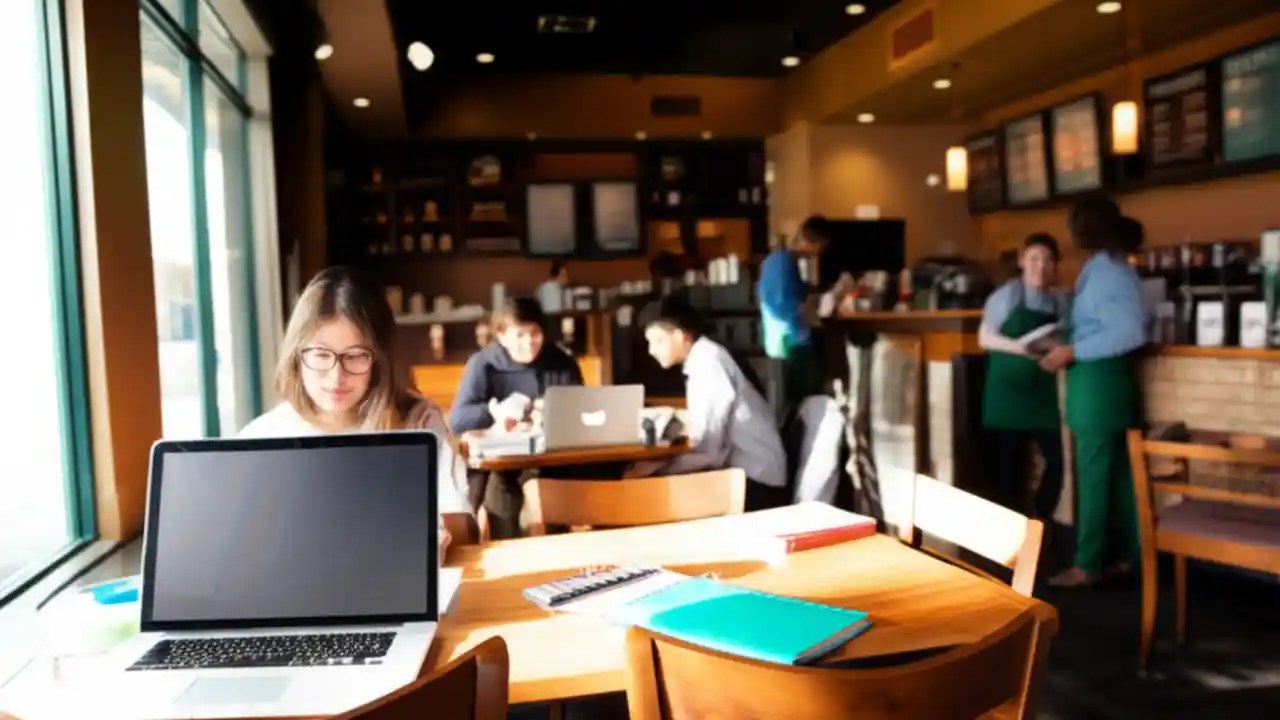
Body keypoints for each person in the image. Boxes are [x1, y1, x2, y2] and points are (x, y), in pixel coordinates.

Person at [239, 266, 473, 561]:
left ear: (379, 361)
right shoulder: (263, 437)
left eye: (355, 356)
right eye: (321, 355)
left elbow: (462, 535)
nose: (336, 377)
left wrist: (436, 542)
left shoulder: (418, 423)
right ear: (297, 356)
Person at [1038, 199, 1148, 588]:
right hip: (1105, 387)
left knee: (1095, 477)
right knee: (1117, 478)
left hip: (1099, 389)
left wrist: (1072, 350)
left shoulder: (1107, 273)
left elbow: (1130, 331)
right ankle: (1126, 557)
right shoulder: (1110, 268)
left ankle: (1087, 565)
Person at [628, 295, 789, 510]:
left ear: (679, 336)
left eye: (658, 341)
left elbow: (710, 452)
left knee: (652, 499)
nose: (651, 350)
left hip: (756, 482)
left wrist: (659, 472)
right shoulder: (705, 358)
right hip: (747, 475)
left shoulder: (708, 363)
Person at [450, 297, 584, 537]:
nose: (529, 342)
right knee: (501, 487)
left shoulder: (561, 362)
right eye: (519, 335)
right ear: (501, 335)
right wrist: (496, 412)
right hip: (502, 461)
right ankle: (506, 548)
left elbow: (581, 410)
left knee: (563, 484)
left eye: (535, 333)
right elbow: (459, 419)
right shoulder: (484, 364)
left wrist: (547, 412)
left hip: (552, 459)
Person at [979, 233, 1069, 520]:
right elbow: (985, 338)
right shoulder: (1006, 296)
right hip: (1007, 394)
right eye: (1034, 258)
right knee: (1008, 471)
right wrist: (1018, 347)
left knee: (1057, 461)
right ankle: (1010, 539)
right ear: (1022, 261)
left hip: (1042, 394)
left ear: (1055, 265)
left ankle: (1040, 521)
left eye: (1047, 259)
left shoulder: (1060, 301)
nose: (1040, 266)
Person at [758, 216, 830, 425]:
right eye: (821, 247)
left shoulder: (776, 262)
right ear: (814, 243)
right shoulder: (783, 264)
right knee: (806, 405)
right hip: (791, 344)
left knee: (792, 406)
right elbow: (785, 306)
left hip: (781, 345)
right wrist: (811, 318)